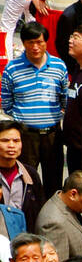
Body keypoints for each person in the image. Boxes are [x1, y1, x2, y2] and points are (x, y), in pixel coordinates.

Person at [1, 21, 65, 200]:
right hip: (26, 136)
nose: (35, 47)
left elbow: (64, 98)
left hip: (53, 135)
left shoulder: (59, 66)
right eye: (30, 43)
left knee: (54, 183)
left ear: (46, 42)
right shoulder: (12, 69)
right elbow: (6, 102)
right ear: (23, 43)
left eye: (39, 42)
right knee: (25, 183)